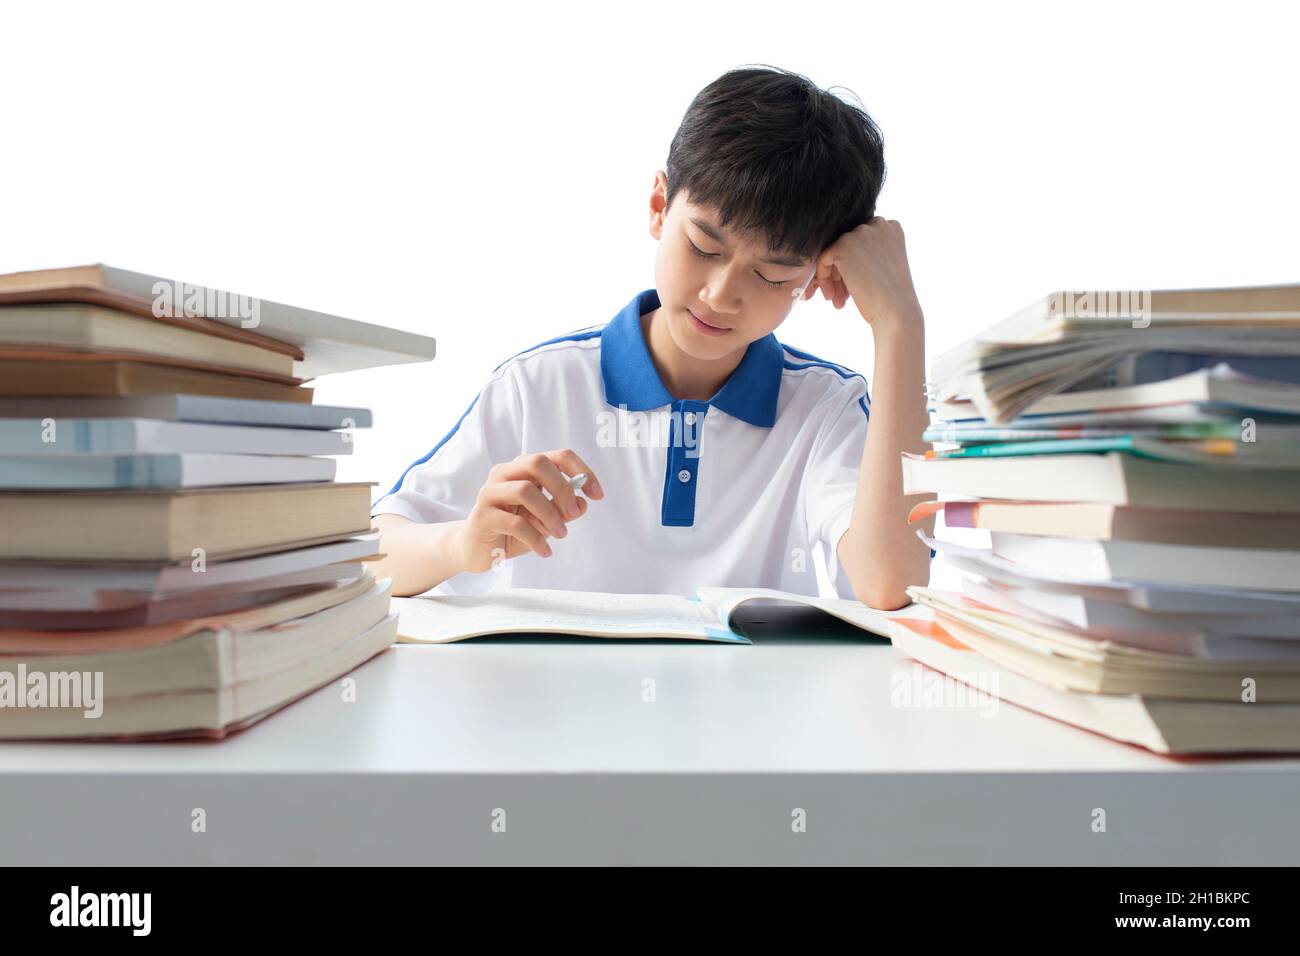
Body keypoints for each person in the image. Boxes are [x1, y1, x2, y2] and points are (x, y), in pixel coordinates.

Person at [371, 65, 933, 608]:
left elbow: (890, 585)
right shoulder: (538, 385)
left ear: (815, 277)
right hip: (549, 704)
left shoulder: (824, 409)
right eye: (704, 248)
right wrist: (461, 544)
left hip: (753, 706)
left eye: (772, 275)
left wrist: (899, 324)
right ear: (660, 207)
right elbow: (370, 556)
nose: (720, 295)